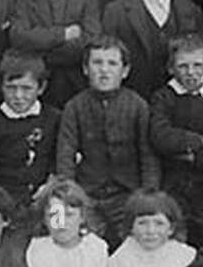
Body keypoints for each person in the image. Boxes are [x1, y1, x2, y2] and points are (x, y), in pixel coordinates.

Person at [55, 35, 161, 237]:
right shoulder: (74, 107)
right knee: (77, 239)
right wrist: (69, 197)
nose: (104, 70)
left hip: (128, 195)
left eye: (112, 63)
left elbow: (148, 155)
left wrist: (147, 197)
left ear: (125, 71)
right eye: (97, 63)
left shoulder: (138, 106)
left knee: (137, 240)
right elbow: (65, 156)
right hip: (88, 195)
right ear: (86, 69)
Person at [149, 33, 203, 245]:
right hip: (175, 181)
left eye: (197, 65)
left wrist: (194, 157)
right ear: (171, 68)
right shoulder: (164, 97)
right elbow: (161, 136)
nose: (191, 72)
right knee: (175, 232)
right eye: (183, 66)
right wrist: (199, 142)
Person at [0, 50, 61, 214]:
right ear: (1, 86)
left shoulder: (53, 118)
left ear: (41, 88)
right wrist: (2, 203)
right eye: (11, 88)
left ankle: (58, 237)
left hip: (47, 196)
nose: (18, 96)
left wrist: (50, 186)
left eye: (26, 88)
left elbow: (60, 160)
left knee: (59, 223)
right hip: (5, 203)